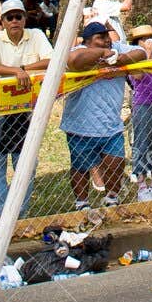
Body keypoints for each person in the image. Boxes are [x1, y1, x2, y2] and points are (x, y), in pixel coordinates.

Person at [0, 0, 52, 217]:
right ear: (2, 21)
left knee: (27, 163)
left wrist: (22, 69)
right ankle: (3, 212)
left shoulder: (37, 35)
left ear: (24, 18)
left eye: (18, 16)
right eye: (9, 17)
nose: (14, 21)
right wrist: (16, 72)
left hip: (25, 110)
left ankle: (19, 211)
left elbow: (51, 59)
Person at [61, 22, 140, 207]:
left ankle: (111, 199)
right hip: (80, 125)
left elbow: (141, 53)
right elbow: (74, 61)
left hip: (111, 123)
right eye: (100, 37)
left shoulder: (116, 48)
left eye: (107, 36)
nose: (106, 40)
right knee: (81, 167)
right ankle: (82, 204)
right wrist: (102, 54)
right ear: (87, 41)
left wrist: (119, 59)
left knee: (116, 162)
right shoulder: (80, 50)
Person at [126, 24, 152, 200]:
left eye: (149, 38)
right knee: (142, 142)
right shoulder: (133, 60)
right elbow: (137, 76)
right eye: (143, 39)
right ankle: (142, 184)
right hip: (143, 105)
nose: (148, 41)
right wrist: (147, 54)